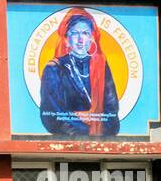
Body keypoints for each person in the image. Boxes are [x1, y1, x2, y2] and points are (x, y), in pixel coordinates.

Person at [39, 8, 120, 137]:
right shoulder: (54, 69)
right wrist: (88, 125)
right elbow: (52, 117)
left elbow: (112, 117)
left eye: (85, 33)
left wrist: (91, 118)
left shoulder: (101, 66)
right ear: (66, 39)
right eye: (75, 33)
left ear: (92, 37)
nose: (80, 40)